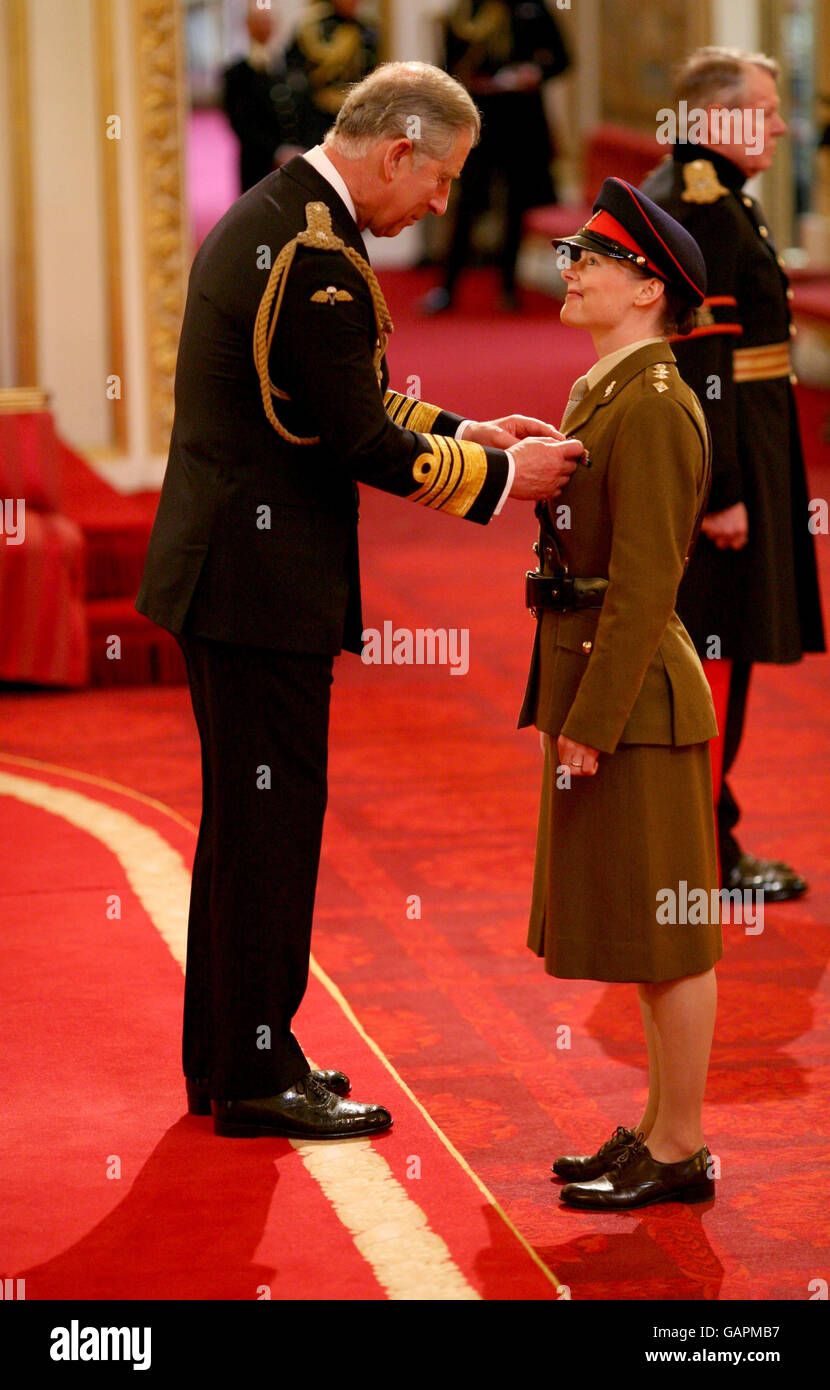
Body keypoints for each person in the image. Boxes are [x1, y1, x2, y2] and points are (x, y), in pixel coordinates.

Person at [136, 62, 583, 1141]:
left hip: (233, 574)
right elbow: (354, 437)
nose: (441, 201)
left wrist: (465, 431)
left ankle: (233, 1056)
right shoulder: (317, 255)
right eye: (441, 178)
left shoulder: (292, 219)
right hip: (256, 586)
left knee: (248, 826)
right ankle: (255, 1073)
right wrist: (500, 480)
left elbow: (335, 392)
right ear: (396, 152)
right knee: (271, 828)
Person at [519, 178, 722, 1209]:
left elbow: (646, 582)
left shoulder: (653, 403)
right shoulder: (605, 387)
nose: (572, 271)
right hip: (599, 674)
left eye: (591, 260)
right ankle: (653, 1127)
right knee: (646, 930)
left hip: (636, 699)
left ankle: (680, 1146)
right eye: (574, 255)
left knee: (670, 934)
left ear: (648, 290)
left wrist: (590, 722)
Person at [641, 47, 825, 900]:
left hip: (748, 444)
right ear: (718, 118)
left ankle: (708, 835)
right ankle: (703, 853)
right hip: (729, 460)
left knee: (723, 653)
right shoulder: (702, 203)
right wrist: (722, 494)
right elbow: (700, 360)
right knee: (713, 657)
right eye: (767, 109)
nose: (783, 127)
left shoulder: (713, 192)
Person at [421, 0, 569, 314]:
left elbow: (563, 59)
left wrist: (535, 72)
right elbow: (447, 69)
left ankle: (508, 288)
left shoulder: (531, 7)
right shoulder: (466, 11)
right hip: (479, 122)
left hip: (521, 123)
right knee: (467, 204)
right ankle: (447, 287)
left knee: (516, 206)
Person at [285, 0, 379, 151]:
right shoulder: (313, 27)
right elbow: (295, 69)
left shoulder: (365, 30)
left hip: (353, 111)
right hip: (315, 112)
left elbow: (370, 73)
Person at [223, 3, 297, 192]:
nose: (264, 26)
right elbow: (240, 123)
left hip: (295, 160)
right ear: (248, 25)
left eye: (268, 21)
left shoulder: (292, 65)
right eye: (259, 21)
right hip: (257, 164)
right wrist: (276, 152)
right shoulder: (236, 74)